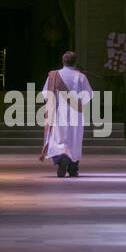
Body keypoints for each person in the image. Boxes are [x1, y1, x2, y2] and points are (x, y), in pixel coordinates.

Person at [39, 50, 92, 178]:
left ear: (63, 61)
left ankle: (61, 160)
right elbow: (88, 95)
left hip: (58, 112)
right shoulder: (81, 77)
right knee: (74, 139)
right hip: (76, 113)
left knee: (59, 139)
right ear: (75, 62)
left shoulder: (54, 75)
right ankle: (73, 168)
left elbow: (46, 94)